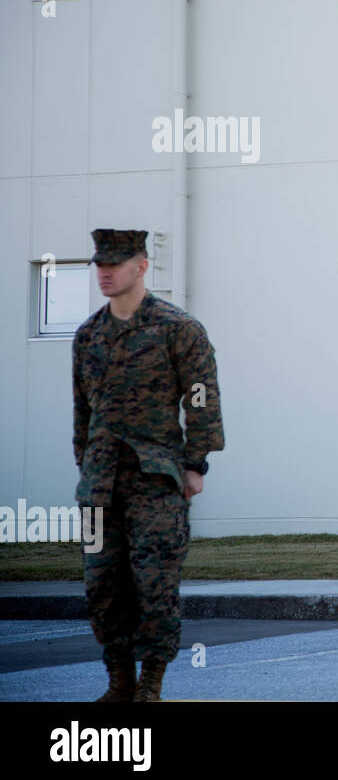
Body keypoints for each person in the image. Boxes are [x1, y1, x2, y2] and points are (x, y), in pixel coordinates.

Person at [73, 229, 224, 701]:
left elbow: (201, 398)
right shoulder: (88, 335)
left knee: (155, 583)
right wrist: (85, 468)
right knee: (101, 583)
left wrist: (195, 464)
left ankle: (151, 686)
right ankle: (118, 682)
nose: (104, 273)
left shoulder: (178, 329)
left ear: (141, 267)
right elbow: (83, 411)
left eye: (114, 265)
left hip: (156, 480)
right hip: (99, 486)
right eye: (99, 265)